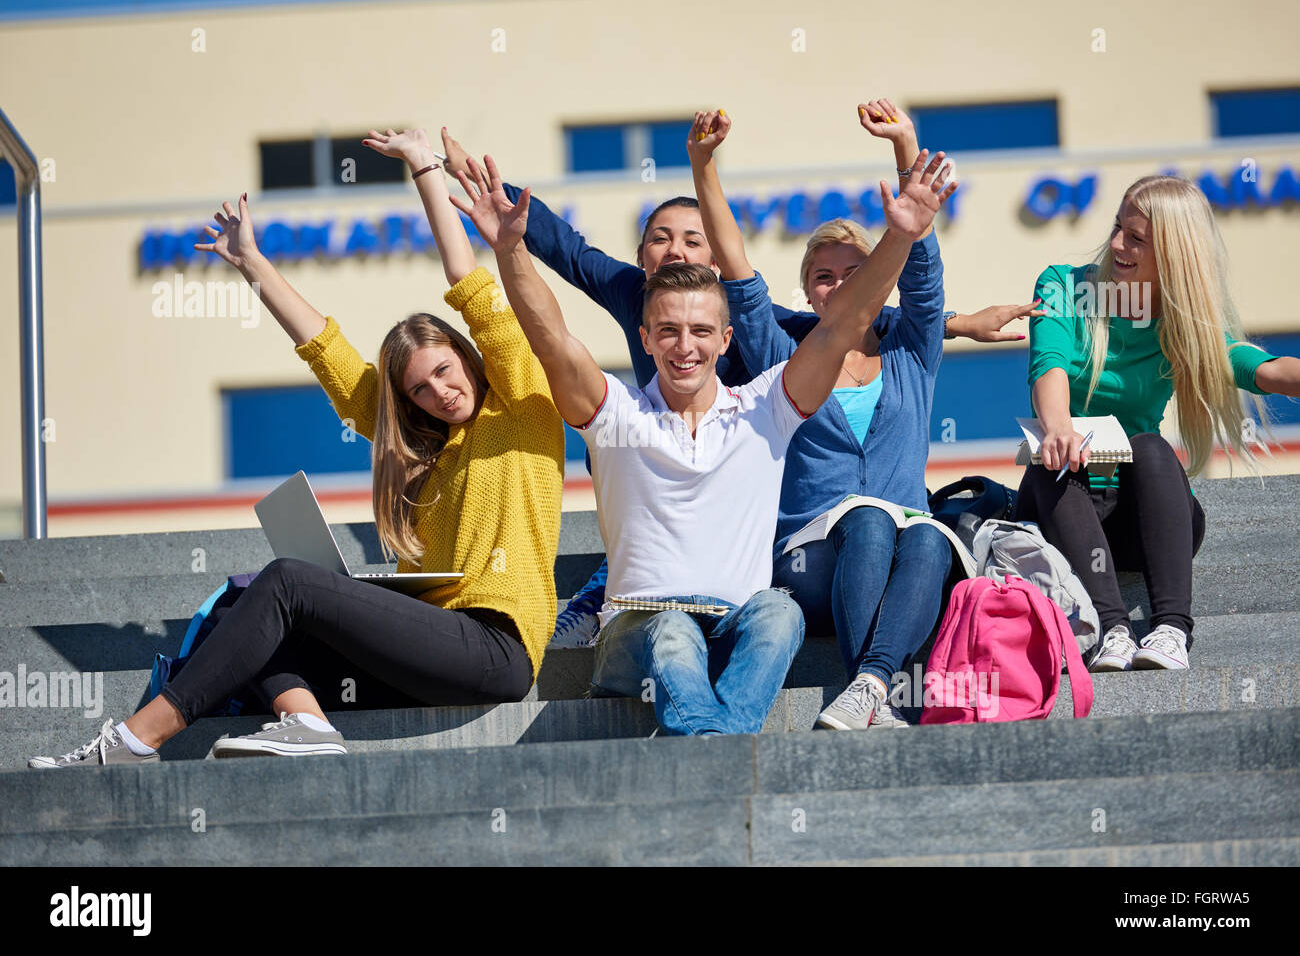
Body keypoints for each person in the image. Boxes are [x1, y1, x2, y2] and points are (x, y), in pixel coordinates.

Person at [28, 128, 565, 767]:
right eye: (419, 390)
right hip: (434, 645)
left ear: (469, 358)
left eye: (445, 372)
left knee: (285, 584)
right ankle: (306, 727)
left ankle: (131, 741)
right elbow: (333, 358)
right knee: (240, 604)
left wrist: (425, 169)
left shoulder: (524, 409)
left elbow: (468, 284)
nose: (438, 394)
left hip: (495, 646)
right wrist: (253, 263)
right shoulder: (427, 452)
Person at [437, 125, 1032, 646]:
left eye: (693, 240)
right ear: (641, 257)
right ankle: (602, 595)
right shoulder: (630, 292)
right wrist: (473, 182)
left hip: (738, 472)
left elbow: (840, 322)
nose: (675, 250)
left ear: (718, 271)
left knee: (904, 532)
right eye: (660, 238)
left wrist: (955, 323)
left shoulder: (776, 330)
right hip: (663, 474)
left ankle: (872, 683)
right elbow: (565, 247)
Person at [686, 102, 1031, 731]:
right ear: (808, 291)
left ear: (877, 277)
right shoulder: (781, 353)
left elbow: (923, 276)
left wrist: (906, 148)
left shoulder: (910, 349)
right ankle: (875, 686)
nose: (838, 286)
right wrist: (702, 165)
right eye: (822, 277)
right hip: (807, 560)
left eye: (854, 272)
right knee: (870, 519)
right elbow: (735, 269)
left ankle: (869, 686)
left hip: (903, 551)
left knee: (928, 532)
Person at [1015, 174, 1300, 673]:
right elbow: (1049, 362)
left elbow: (1263, 370)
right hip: (1071, 513)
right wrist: (1059, 426)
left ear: (1172, 252)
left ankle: (1170, 629)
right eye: (1118, 228)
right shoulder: (1062, 285)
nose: (1118, 244)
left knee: (1149, 446)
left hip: (1142, 517)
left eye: (1137, 238)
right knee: (1047, 468)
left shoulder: (1178, 318)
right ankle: (1113, 629)